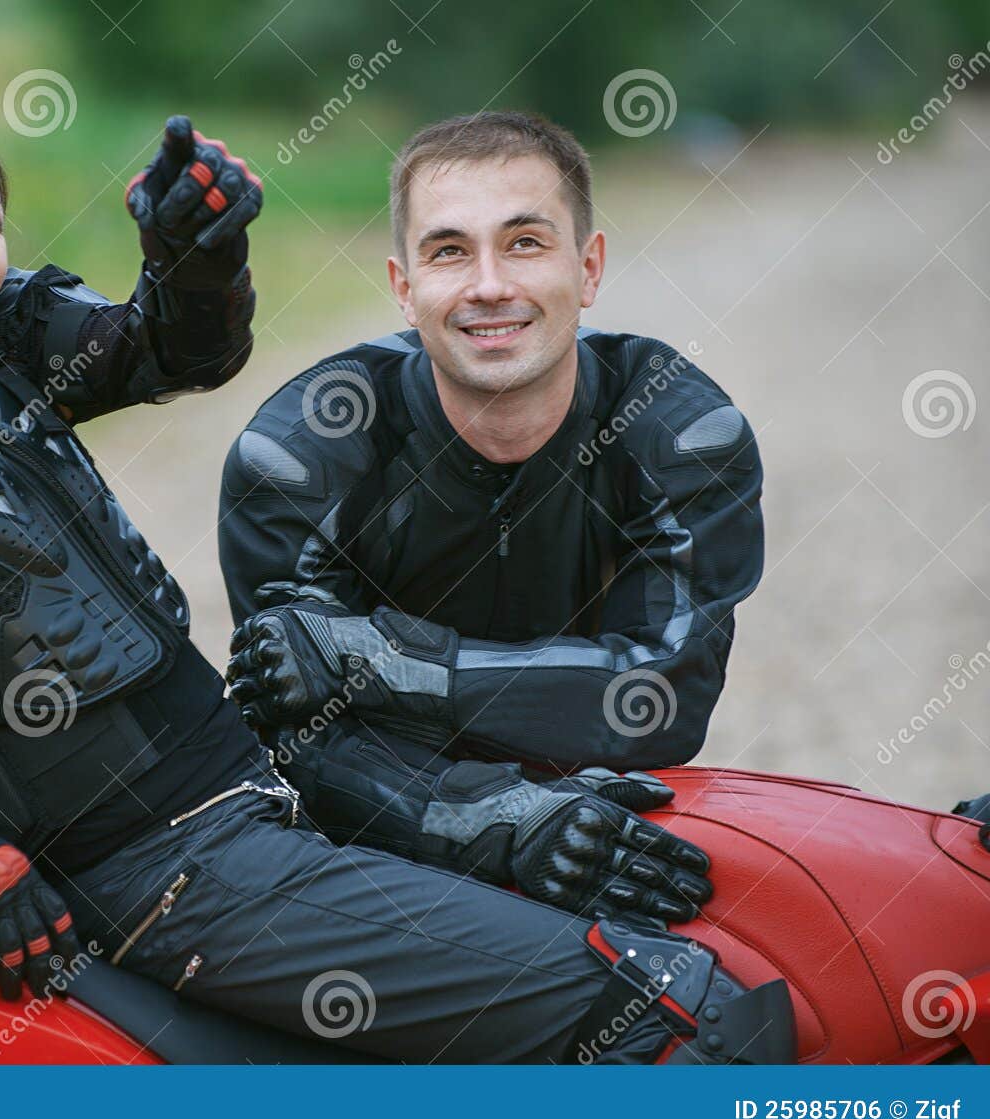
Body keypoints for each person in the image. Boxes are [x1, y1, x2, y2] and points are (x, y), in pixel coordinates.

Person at [0, 104, 790, 1064]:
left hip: (261, 798)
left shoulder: (2, 352)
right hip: (170, 879)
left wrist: (195, 245)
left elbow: (175, 348)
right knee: (670, 1002)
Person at [220, 111, 765, 883]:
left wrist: (386, 663)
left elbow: (662, 696)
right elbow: (296, 734)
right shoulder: (300, 455)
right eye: (449, 251)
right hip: (385, 842)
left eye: (526, 242)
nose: (488, 286)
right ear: (405, 289)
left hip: (608, 805)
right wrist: (490, 822)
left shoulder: (681, 432)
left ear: (589, 269)